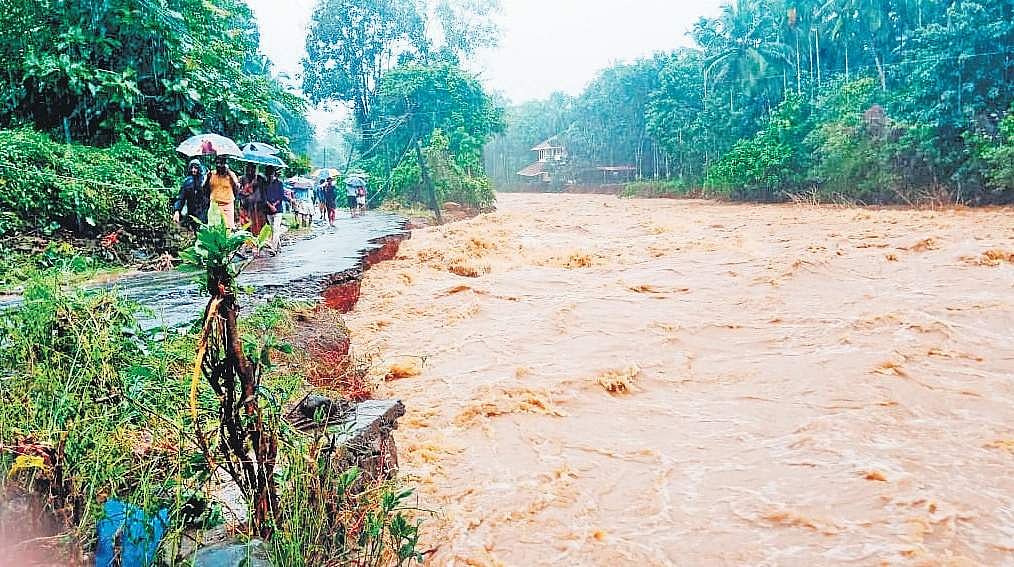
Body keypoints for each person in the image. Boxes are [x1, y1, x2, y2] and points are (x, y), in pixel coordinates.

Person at [172, 159, 209, 231]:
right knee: (194, 230)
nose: (193, 170)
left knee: (203, 230)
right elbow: (181, 197)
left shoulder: (204, 179)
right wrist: (177, 211)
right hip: (192, 211)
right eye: (192, 168)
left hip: (203, 210)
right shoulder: (187, 181)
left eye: (195, 168)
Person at [204, 155, 240, 229]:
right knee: (213, 228)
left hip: (227, 205)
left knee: (228, 228)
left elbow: (237, 187)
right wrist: (207, 178)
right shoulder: (211, 174)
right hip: (214, 205)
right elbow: (204, 189)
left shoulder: (231, 175)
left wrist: (229, 173)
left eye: (221, 163)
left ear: (225, 164)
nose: (219, 165)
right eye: (217, 163)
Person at [263, 166, 289, 254]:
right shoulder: (265, 184)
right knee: (273, 229)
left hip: (278, 210)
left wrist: (274, 205)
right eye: (268, 173)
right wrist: (270, 206)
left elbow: (281, 196)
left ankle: (273, 248)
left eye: (271, 173)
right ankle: (278, 246)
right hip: (268, 210)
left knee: (276, 228)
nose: (270, 175)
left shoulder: (279, 183)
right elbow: (264, 197)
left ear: (274, 174)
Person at [238, 163, 266, 235]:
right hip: (245, 206)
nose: (250, 171)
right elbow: (239, 192)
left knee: (258, 224)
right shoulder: (242, 179)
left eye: (253, 169)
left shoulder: (260, 179)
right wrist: (249, 187)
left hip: (258, 206)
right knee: (246, 225)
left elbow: (263, 192)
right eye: (248, 169)